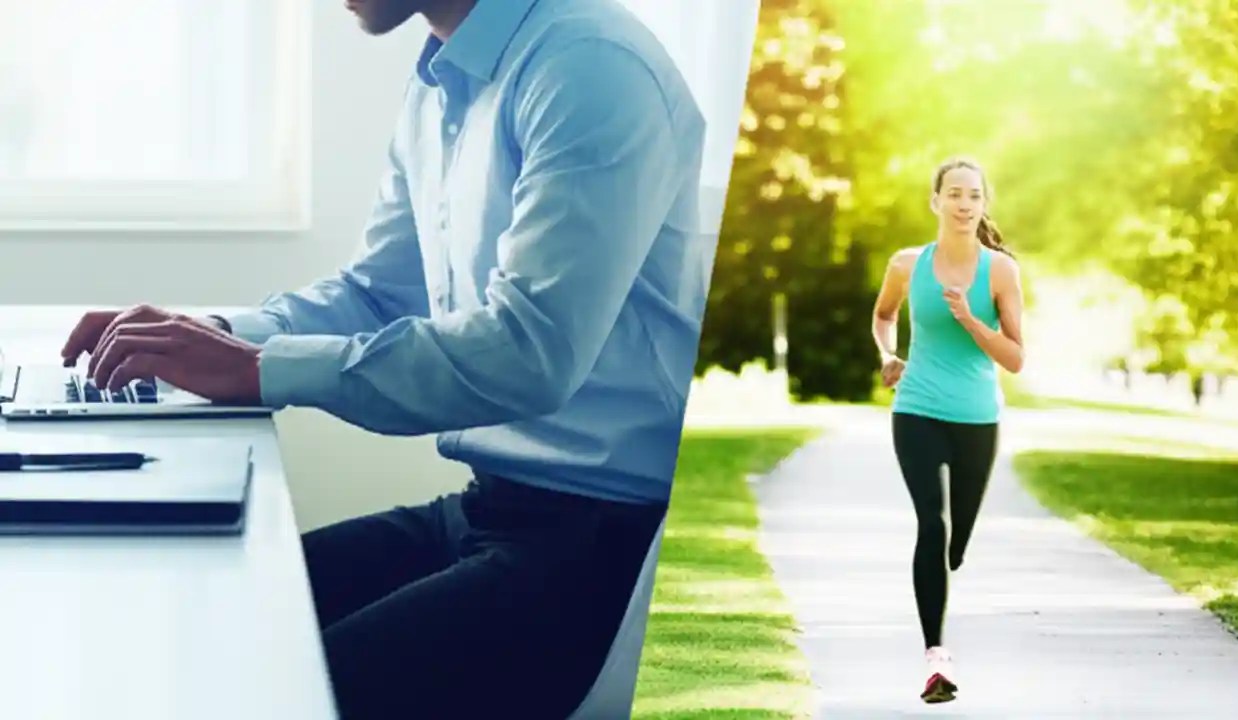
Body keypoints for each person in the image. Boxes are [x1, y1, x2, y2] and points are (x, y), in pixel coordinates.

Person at [59, 0, 709, 717]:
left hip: (601, 551)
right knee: (213, 621)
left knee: (266, 694)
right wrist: (213, 336)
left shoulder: (590, 66)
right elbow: (376, 294)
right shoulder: (450, 72)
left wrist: (260, 372)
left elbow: (529, 355)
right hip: (489, 510)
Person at [869, 157, 1026, 704]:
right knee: (930, 527)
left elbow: (1015, 359)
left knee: (956, 543)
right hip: (916, 409)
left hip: (977, 418)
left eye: (974, 196)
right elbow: (884, 315)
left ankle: (954, 557)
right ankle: (936, 660)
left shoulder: (1001, 271)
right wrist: (889, 354)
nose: (964, 204)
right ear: (935, 201)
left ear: (984, 204)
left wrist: (971, 319)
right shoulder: (908, 264)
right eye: (954, 194)